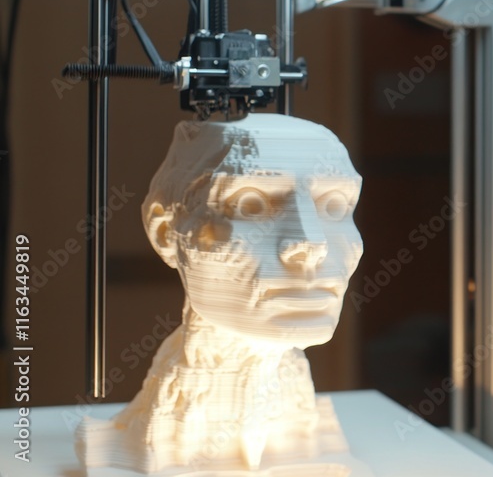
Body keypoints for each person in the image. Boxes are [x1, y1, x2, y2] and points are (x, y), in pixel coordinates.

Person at [76, 113, 364, 473]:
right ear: (167, 233)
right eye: (251, 204)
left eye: (335, 205)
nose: (310, 243)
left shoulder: (306, 430)